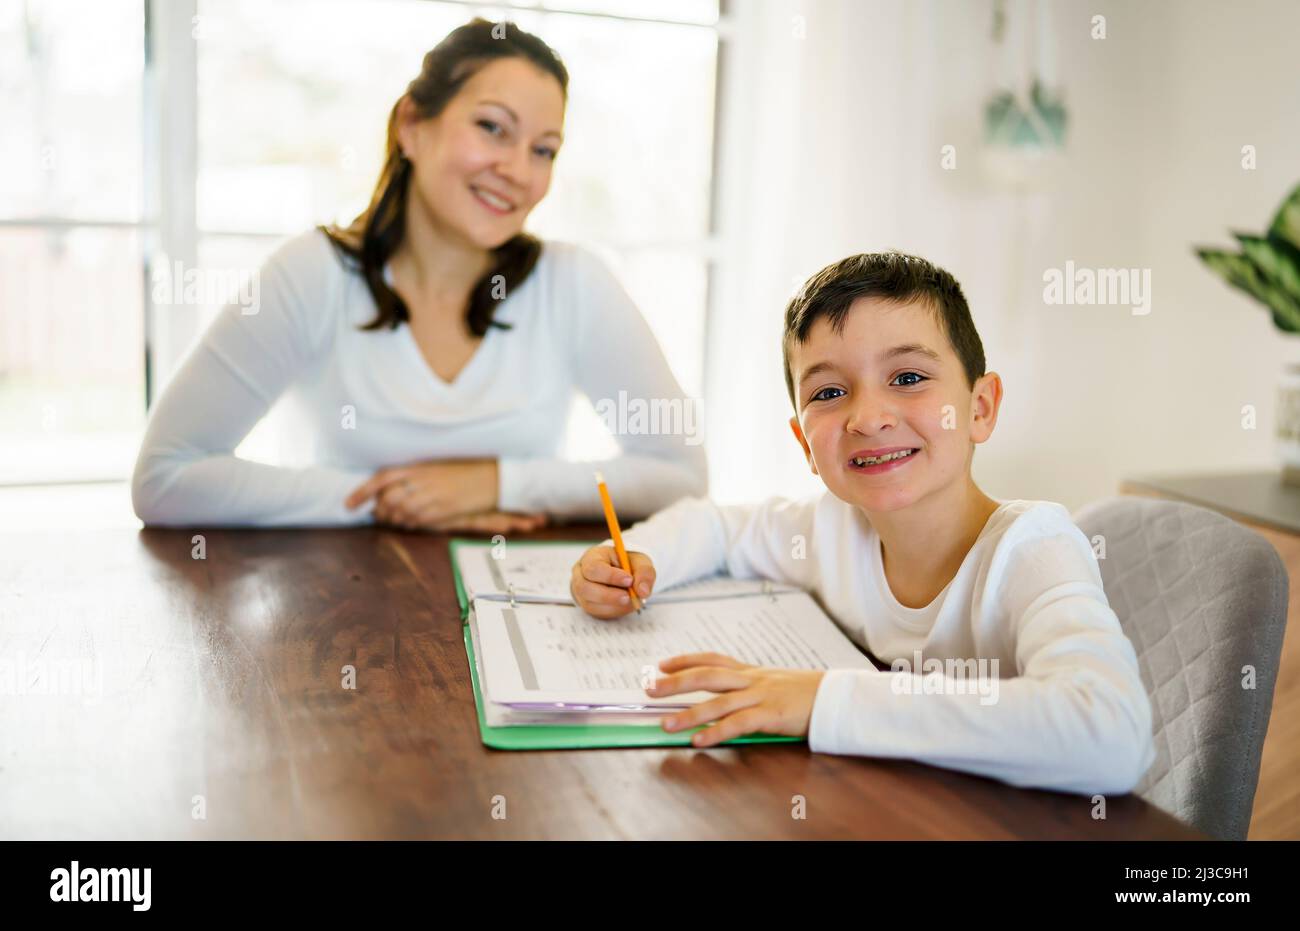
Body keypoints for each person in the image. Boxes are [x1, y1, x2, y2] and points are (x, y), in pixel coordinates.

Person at [569, 252, 1154, 795]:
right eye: (828, 391)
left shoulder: (1034, 550)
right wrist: (635, 559)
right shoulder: (831, 528)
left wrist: (821, 699)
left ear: (980, 408)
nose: (869, 418)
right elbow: (721, 528)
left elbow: (1108, 736)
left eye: (907, 378)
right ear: (803, 442)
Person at [132, 18, 705, 532]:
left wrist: (492, 483)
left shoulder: (574, 283)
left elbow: (680, 473)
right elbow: (164, 477)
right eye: (492, 127)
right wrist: (392, 501)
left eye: (544, 150)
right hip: (337, 608)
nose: (517, 170)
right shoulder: (310, 275)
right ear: (412, 124)